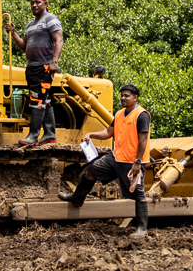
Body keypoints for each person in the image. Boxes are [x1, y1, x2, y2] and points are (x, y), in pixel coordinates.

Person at [59, 84, 151, 238]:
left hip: (131, 162)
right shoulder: (120, 114)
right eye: (122, 95)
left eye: (127, 95)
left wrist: (138, 162)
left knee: (138, 193)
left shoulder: (142, 115)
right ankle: (77, 198)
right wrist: (91, 134)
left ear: (135, 98)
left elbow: (143, 141)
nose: (123, 98)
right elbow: (109, 132)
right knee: (91, 171)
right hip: (115, 157)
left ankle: (142, 229)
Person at [6, 0, 63, 146]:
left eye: (38, 2)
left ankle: (33, 136)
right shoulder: (31, 24)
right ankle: (50, 134)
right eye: (32, 2)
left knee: (37, 99)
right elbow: (24, 47)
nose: (34, 5)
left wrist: (54, 62)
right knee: (46, 100)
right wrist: (13, 34)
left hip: (43, 67)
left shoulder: (50, 19)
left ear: (45, 4)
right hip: (32, 67)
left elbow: (59, 39)